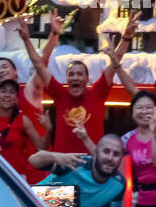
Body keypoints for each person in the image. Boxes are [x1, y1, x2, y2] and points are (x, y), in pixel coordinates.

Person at [13, 19, 128, 154]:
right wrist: (26, 39)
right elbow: (39, 65)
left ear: (87, 79)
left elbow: (117, 59)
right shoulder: (60, 94)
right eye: (71, 74)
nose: (75, 77)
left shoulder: (98, 92)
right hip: (63, 163)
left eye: (80, 74)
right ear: (67, 79)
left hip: (90, 164)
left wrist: (127, 37)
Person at [29, 133, 126, 207]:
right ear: (96, 152)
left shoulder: (118, 185)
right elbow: (33, 160)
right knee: (70, 196)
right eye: (106, 151)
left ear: (122, 157)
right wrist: (56, 156)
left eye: (116, 154)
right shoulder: (77, 164)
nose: (110, 158)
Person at [0, 79, 46, 184]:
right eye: (3, 91)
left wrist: (49, 128)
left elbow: (41, 148)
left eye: (12, 92)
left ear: (16, 99)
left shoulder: (23, 120)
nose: (7, 95)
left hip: (16, 178)